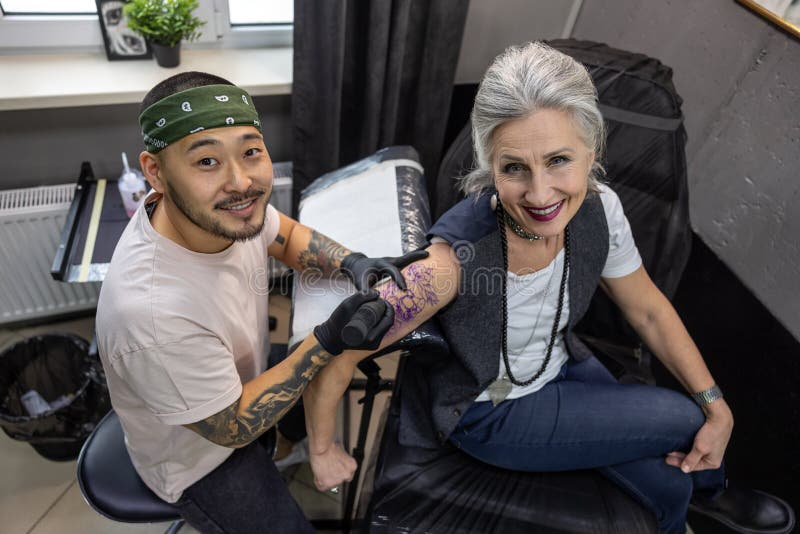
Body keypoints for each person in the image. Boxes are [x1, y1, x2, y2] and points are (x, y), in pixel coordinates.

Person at [303, 42, 795, 534]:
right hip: (492, 409)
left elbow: (647, 309)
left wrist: (719, 402)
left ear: (592, 150)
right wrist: (322, 450)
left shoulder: (602, 210)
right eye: (514, 167)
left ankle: (708, 492)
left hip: (561, 363)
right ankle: (710, 487)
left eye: (558, 160)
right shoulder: (452, 261)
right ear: (489, 165)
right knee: (683, 416)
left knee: (669, 489)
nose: (540, 195)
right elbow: (338, 349)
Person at [95, 71, 426, 533]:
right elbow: (233, 427)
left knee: (299, 368)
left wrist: (353, 262)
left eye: (251, 151)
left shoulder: (224, 213)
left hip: (235, 378)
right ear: (156, 172)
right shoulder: (151, 313)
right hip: (201, 458)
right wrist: (327, 340)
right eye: (207, 161)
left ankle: (287, 445)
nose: (242, 181)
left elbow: (285, 234)